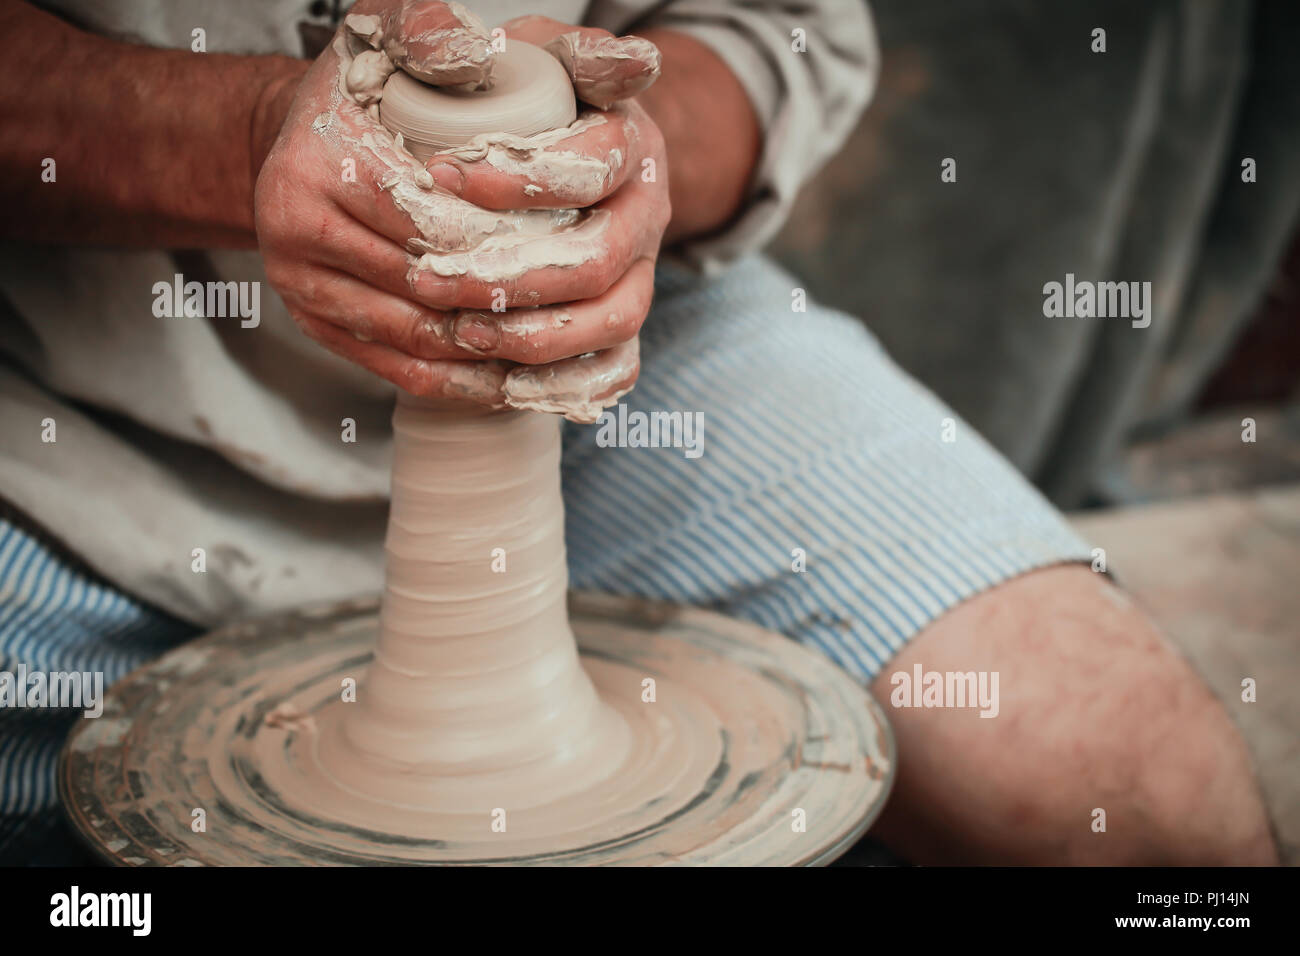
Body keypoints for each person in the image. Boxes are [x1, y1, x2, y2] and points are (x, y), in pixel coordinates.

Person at [0, 0, 1277, 865]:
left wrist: (637, 159)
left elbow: (773, 33)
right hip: (84, 402)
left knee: (1146, 796)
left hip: (612, 332)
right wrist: (248, 134)